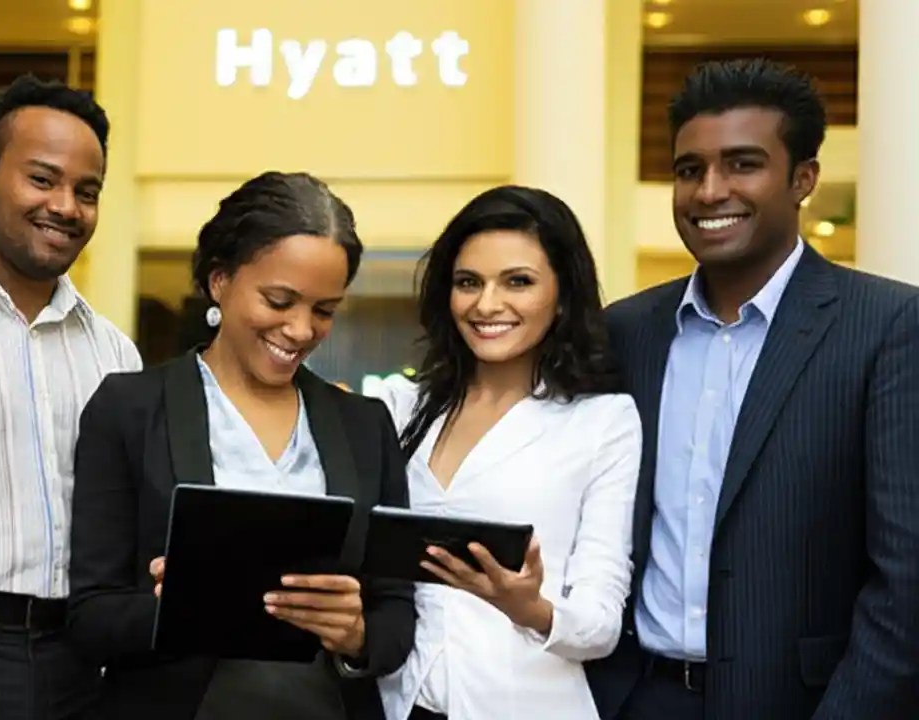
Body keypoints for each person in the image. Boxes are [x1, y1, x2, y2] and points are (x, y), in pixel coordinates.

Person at [585, 58, 919, 720]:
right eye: (689, 170)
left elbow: (905, 582)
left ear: (803, 179)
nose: (709, 191)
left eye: (742, 164)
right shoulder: (624, 332)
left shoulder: (887, 327)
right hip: (633, 699)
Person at [66, 171, 415, 720]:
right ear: (219, 280)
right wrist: (175, 608)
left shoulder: (364, 425)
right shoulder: (130, 409)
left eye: (324, 310)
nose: (300, 330)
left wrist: (357, 633)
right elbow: (89, 616)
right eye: (279, 301)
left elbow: (396, 612)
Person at [0, 73, 141, 720]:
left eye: (87, 191)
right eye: (42, 180)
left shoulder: (114, 353)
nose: (67, 206)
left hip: (83, 654)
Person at [369, 186, 641, 720]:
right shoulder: (399, 407)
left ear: (562, 295)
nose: (487, 304)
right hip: (400, 704)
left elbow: (601, 624)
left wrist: (531, 609)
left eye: (517, 281)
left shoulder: (602, 422)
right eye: (468, 282)